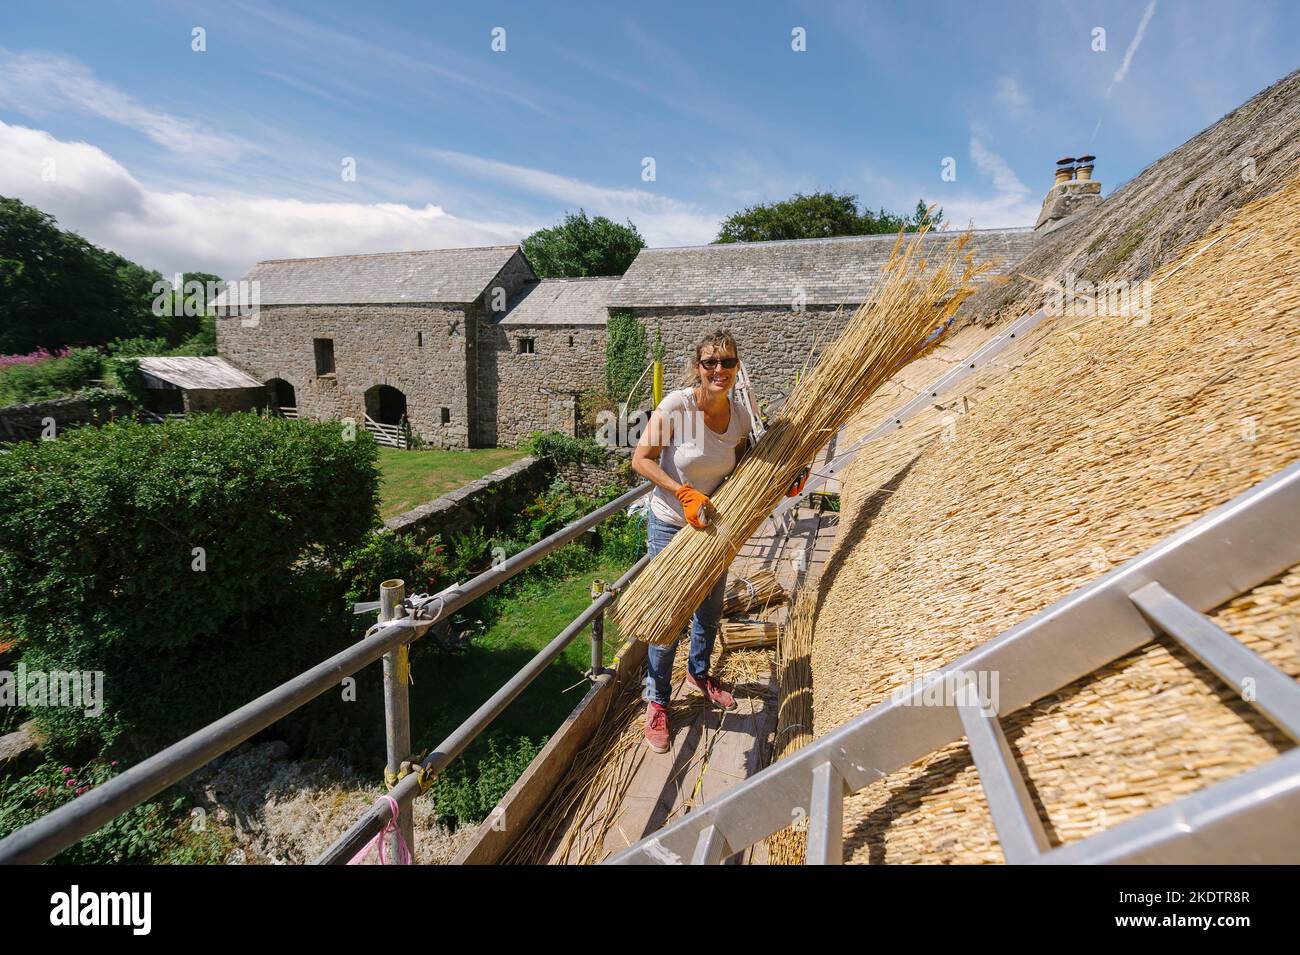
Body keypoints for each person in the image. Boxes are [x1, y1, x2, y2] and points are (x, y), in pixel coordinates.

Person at [631, 329, 751, 753]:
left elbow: (748, 466)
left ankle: (698, 674)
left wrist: (786, 482)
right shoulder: (677, 407)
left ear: (737, 366)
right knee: (667, 618)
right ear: (697, 367)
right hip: (670, 522)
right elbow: (640, 460)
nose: (719, 370)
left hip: (713, 525)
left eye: (727, 362)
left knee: (710, 609)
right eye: (710, 362)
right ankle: (658, 701)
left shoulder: (740, 416)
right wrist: (681, 492)